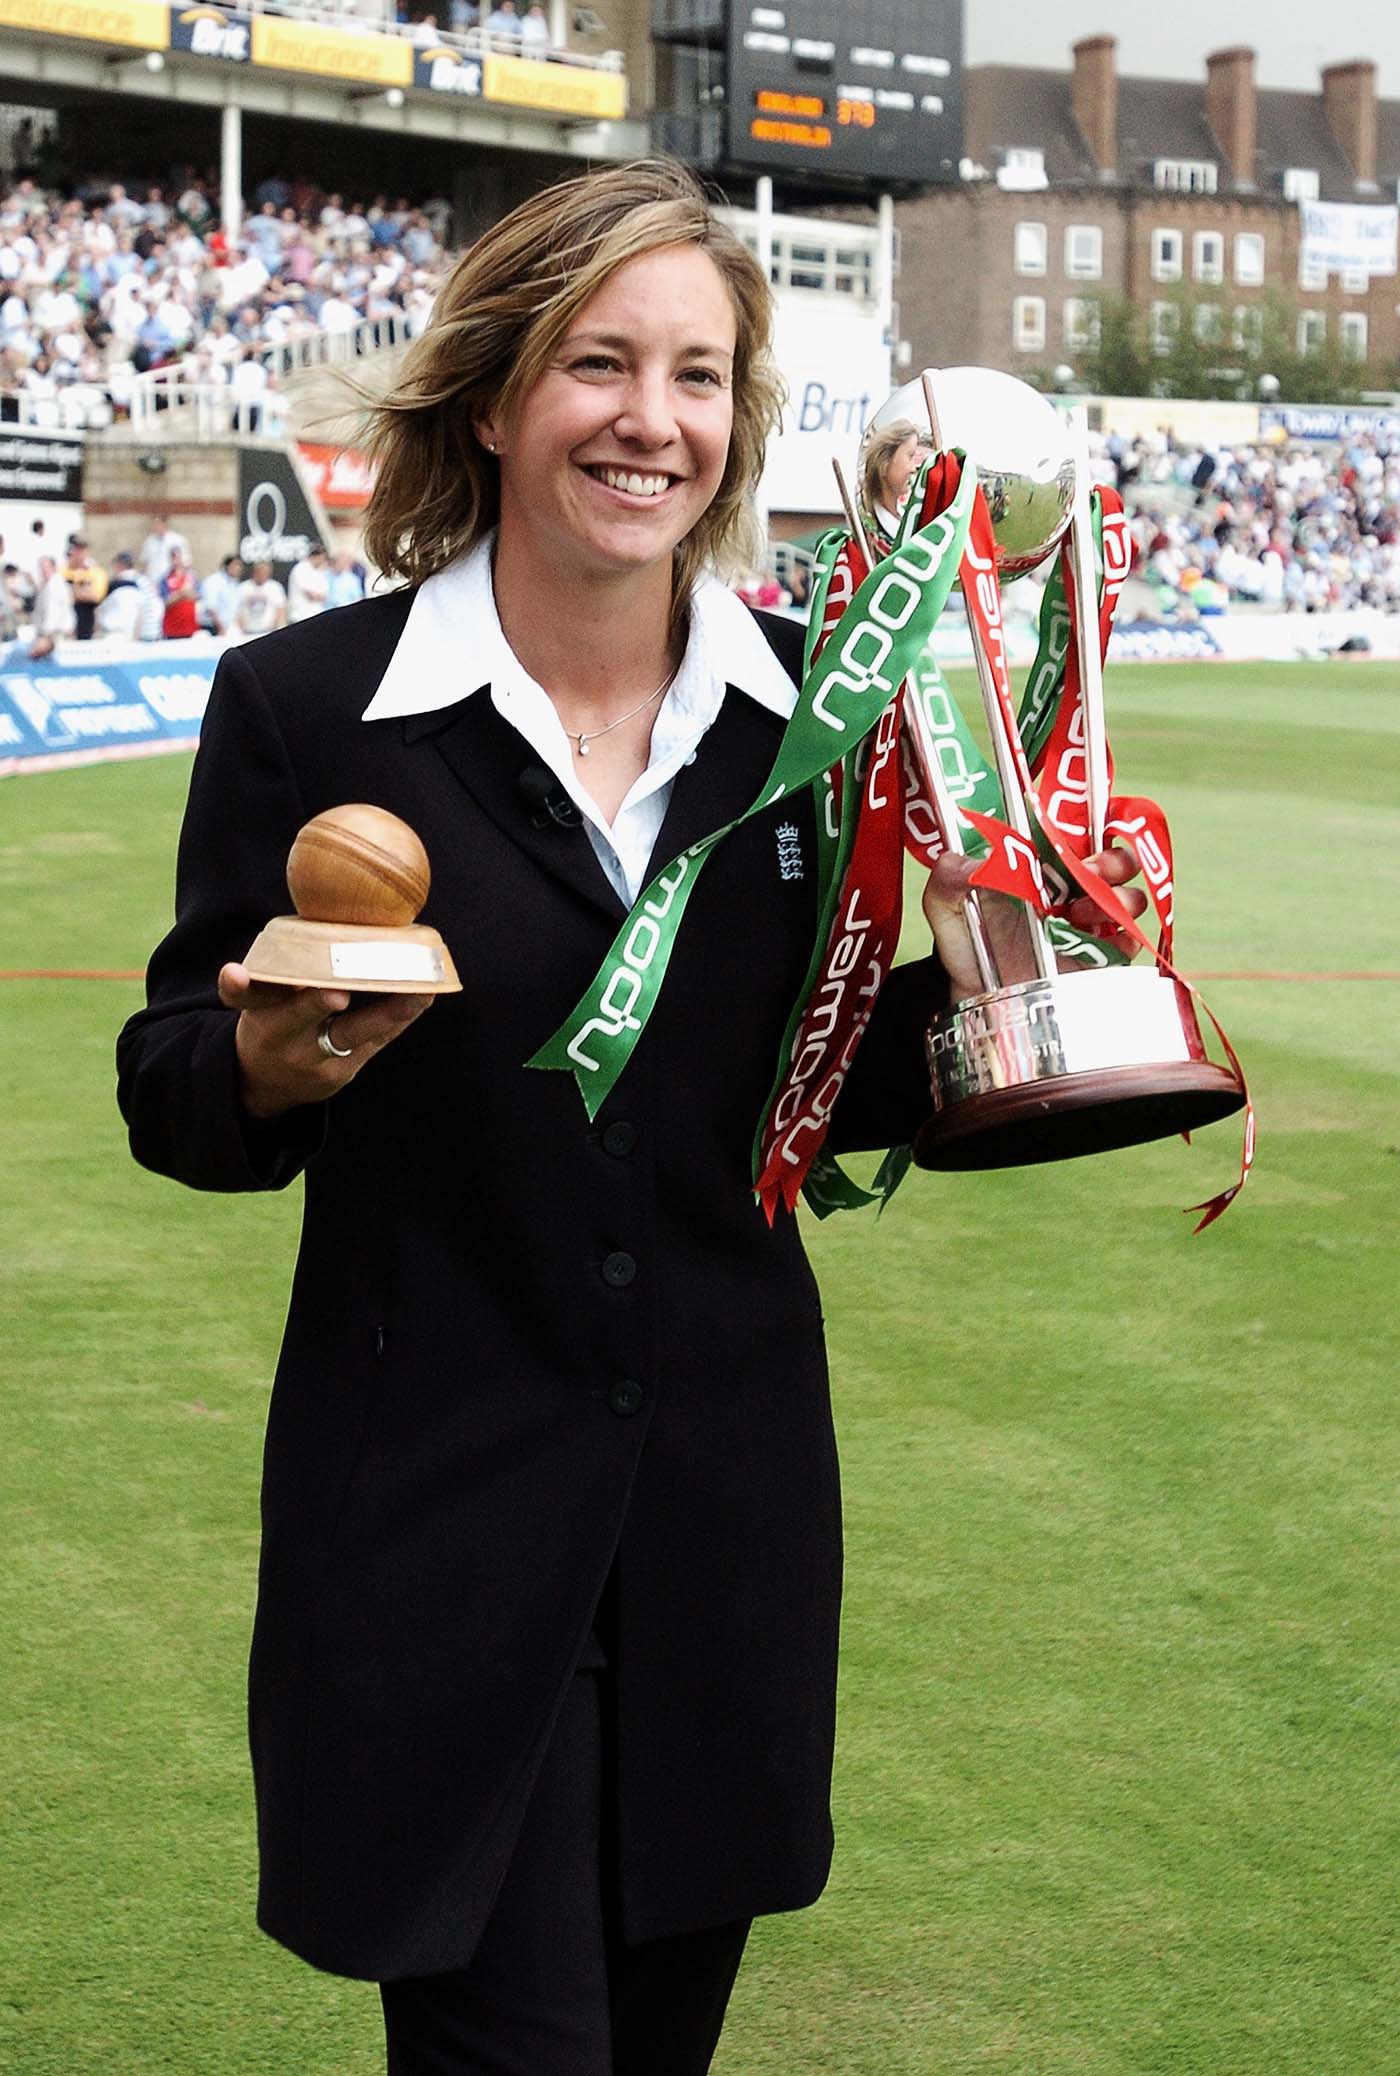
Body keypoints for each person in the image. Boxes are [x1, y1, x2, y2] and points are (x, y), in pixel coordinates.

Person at [116, 159, 1145, 2073]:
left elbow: (812, 1096)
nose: (650, 421)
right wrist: (278, 1052)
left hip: (724, 1551)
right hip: (435, 1541)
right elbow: (179, 1091)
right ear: (500, 395)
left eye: (696, 376)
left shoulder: (818, 731)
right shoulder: (307, 709)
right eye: (600, 364)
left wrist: (1030, 975)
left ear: (740, 424)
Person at [858, 415, 923, 546]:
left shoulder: (907, 516)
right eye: (910, 456)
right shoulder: (871, 529)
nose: (914, 468)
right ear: (885, 462)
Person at [233, 557, 288, 635]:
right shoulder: (243, 587)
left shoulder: (275, 587)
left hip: (268, 631)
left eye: (266, 573)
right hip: (247, 631)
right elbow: (237, 609)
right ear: (255, 572)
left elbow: (280, 609)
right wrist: (241, 626)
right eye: (261, 572)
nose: (263, 575)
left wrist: (275, 627)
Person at [286, 543, 330, 622]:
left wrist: (320, 596)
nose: (323, 560)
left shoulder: (319, 571)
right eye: (322, 557)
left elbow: (325, 596)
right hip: (300, 617)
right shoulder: (301, 568)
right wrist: (319, 596)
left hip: (316, 615)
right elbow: (312, 595)